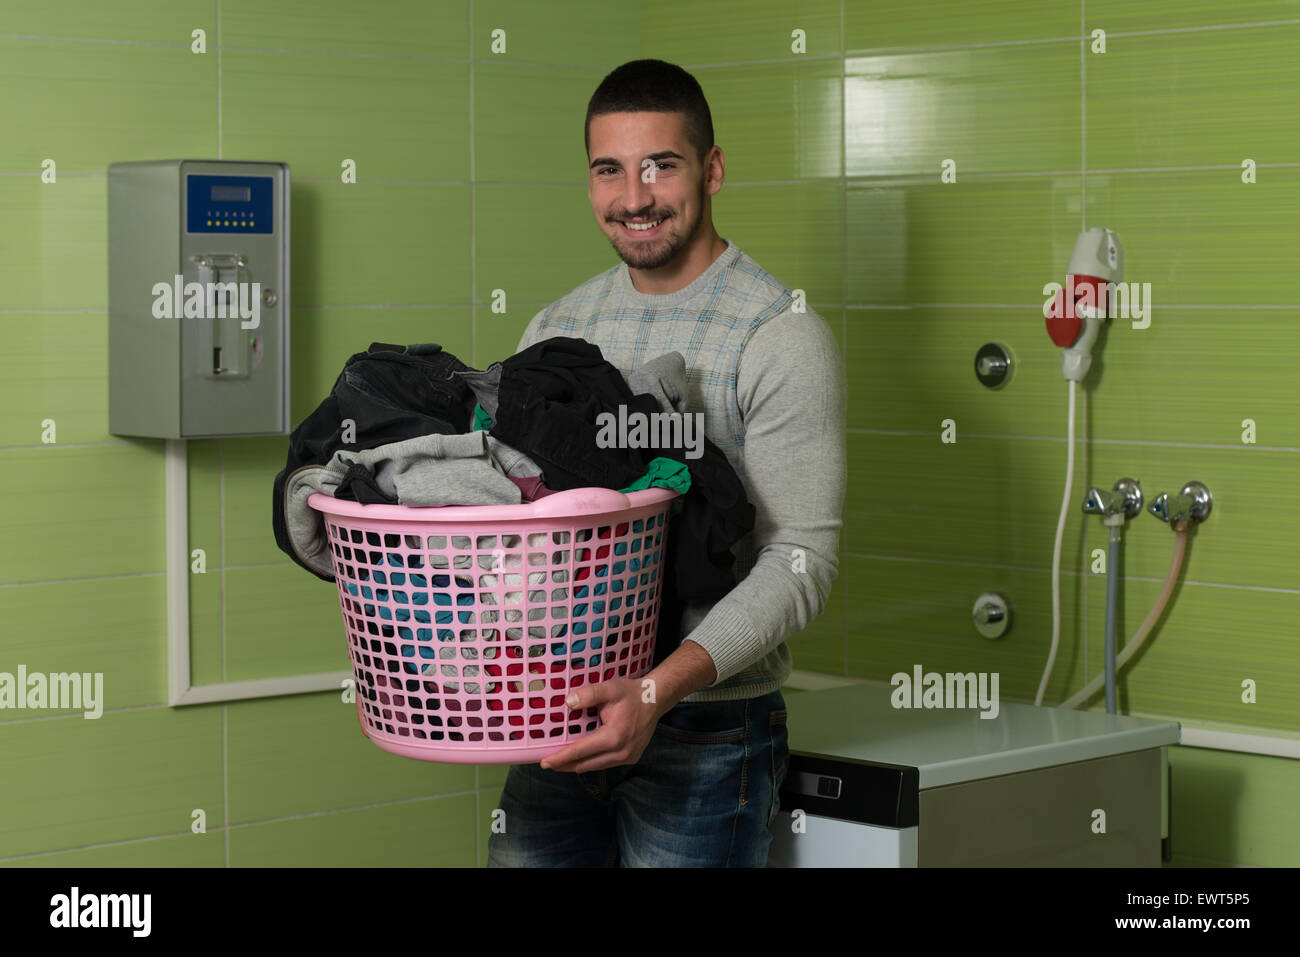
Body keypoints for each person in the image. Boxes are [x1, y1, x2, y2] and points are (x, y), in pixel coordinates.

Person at [487, 59, 846, 868]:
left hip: (709, 732)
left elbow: (801, 559)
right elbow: (524, 529)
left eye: (661, 165)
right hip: (560, 718)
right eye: (609, 169)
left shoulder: (780, 335)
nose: (635, 197)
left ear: (712, 168)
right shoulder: (557, 327)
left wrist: (655, 691)